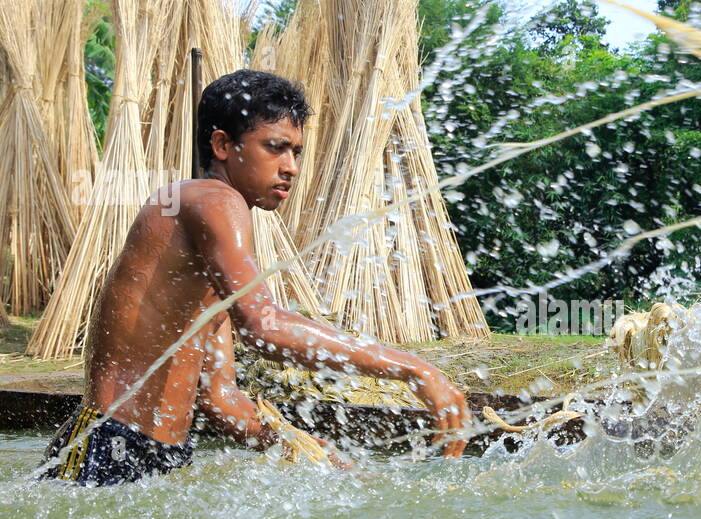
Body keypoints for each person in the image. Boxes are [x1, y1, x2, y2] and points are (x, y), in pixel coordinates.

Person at [40, 70, 471, 486]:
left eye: (296, 152)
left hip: (129, 447)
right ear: (224, 145)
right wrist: (415, 370)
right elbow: (265, 325)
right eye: (275, 147)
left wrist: (301, 447)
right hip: (115, 445)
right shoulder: (213, 199)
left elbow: (218, 397)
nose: (291, 167)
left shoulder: (201, 226)